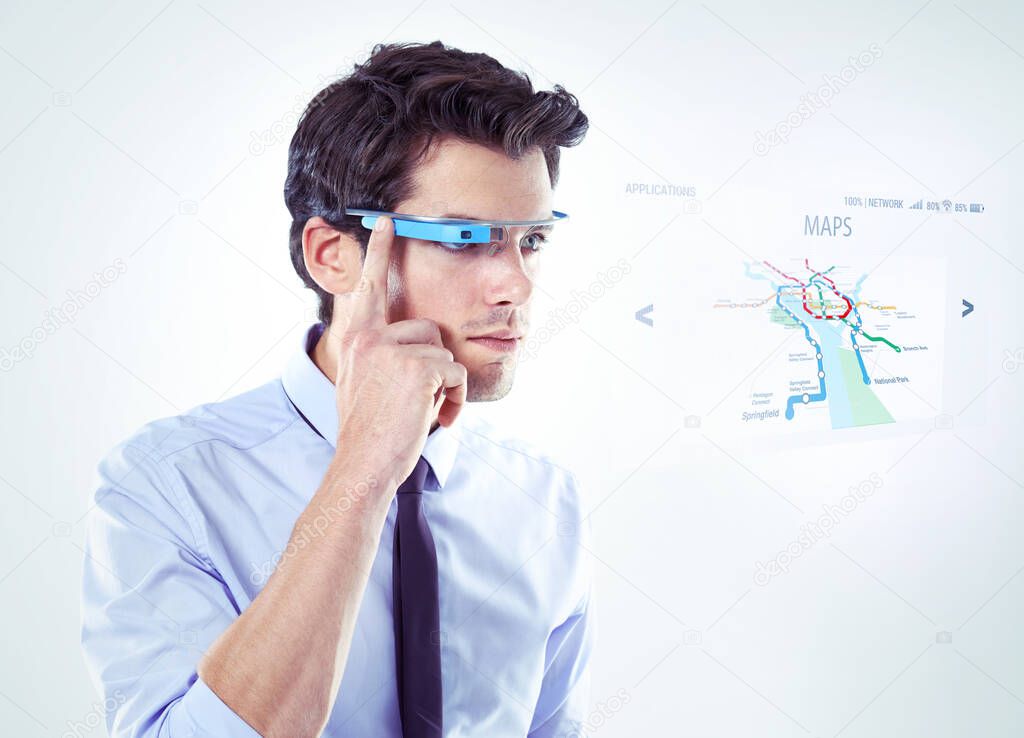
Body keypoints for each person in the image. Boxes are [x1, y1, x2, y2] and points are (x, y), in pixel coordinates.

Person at [80, 40, 594, 737]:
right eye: (467, 238)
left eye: (530, 241)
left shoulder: (543, 499)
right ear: (333, 256)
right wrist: (363, 471)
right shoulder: (168, 483)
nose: (517, 286)